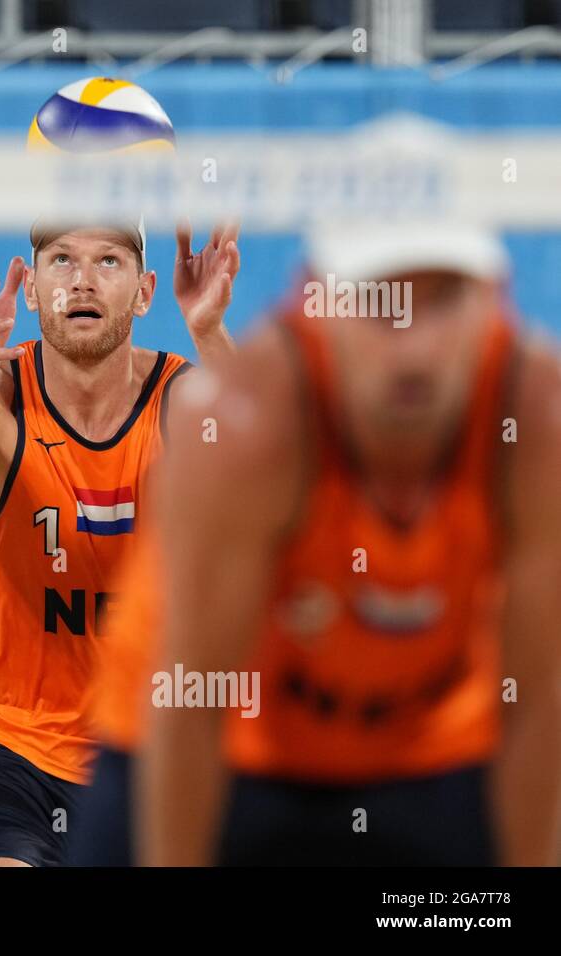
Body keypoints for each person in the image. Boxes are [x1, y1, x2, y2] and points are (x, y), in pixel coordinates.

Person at [97, 223, 561, 866]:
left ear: (497, 301)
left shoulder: (539, 418)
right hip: (224, 753)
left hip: (423, 752)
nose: (416, 349)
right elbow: (191, 703)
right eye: (378, 305)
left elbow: (537, 700)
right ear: (316, 306)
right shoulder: (243, 422)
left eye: (444, 301)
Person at [0, 217, 239, 866]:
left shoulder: (182, 398)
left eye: (108, 261)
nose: (81, 280)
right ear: (31, 290)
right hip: (3, 744)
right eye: (61, 260)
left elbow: (281, 477)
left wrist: (210, 331)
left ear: (145, 291)